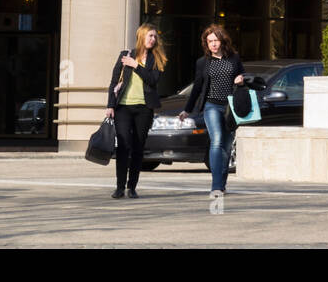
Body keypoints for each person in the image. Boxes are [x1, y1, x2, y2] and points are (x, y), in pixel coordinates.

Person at [179, 24, 244, 198]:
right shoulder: (202, 63)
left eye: (215, 40)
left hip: (230, 108)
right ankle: (215, 186)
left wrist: (240, 80)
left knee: (227, 146)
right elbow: (197, 88)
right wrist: (187, 110)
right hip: (212, 106)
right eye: (209, 41)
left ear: (222, 41)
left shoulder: (234, 59)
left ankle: (221, 184)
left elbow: (243, 79)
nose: (213, 44)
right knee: (216, 141)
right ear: (206, 44)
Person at [105, 24, 165, 199]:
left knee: (138, 148)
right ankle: (119, 187)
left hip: (144, 108)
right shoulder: (126, 55)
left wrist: (136, 66)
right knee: (123, 146)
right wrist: (110, 105)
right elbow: (113, 80)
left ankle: (132, 187)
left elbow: (152, 80)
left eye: (154, 36)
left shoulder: (157, 59)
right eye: (149, 36)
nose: (152, 39)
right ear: (141, 36)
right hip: (123, 107)